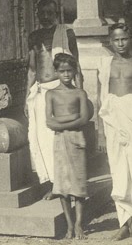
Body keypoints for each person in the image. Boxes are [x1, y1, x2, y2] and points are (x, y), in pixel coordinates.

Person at [26, 0, 82, 195]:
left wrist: (79, 93)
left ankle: (65, 183)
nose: (46, 17)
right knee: (43, 137)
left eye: (50, 13)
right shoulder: (34, 37)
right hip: (41, 91)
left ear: (56, 13)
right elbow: (32, 70)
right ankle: (52, 183)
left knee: (60, 136)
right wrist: (27, 97)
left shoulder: (67, 33)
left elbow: (76, 65)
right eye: (43, 13)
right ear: (37, 15)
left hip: (62, 90)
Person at [99, 22, 132, 241]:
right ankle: (124, 223)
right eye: (116, 39)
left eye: (124, 39)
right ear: (110, 41)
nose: (120, 43)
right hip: (113, 123)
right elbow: (101, 100)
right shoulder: (105, 64)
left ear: (130, 40)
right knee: (118, 173)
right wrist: (101, 131)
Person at [46, 53, 92, 240]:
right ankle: (70, 226)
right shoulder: (51, 94)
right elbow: (49, 122)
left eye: (69, 70)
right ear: (56, 72)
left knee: (79, 184)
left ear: (74, 71)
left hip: (77, 139)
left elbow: (84, 118)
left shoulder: (80, 93)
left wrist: (62, 121)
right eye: (62, 71)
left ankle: (80, 224)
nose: (66, 74)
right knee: (63, 186)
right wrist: (72, 119)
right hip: (59, 141)